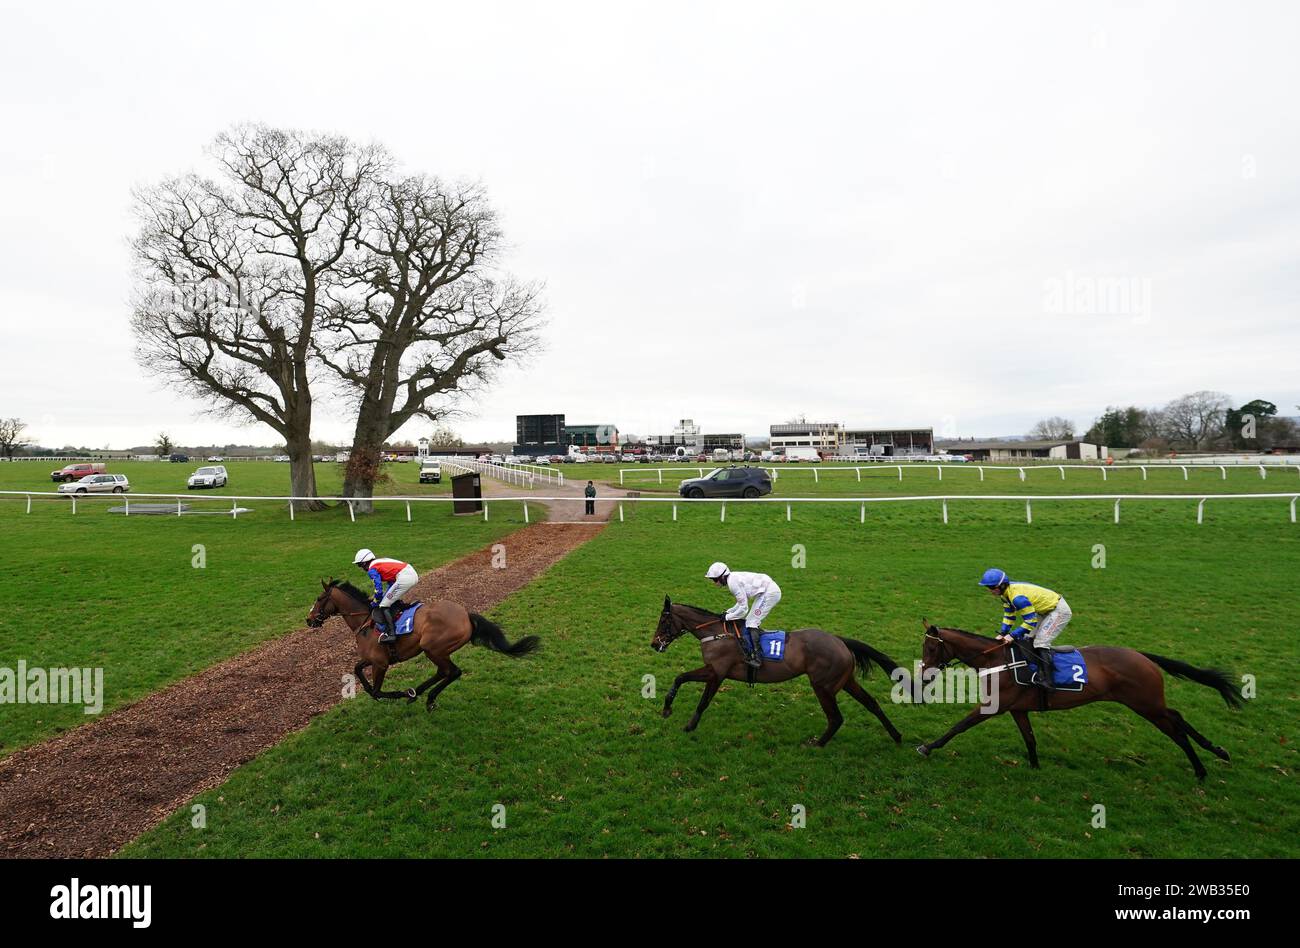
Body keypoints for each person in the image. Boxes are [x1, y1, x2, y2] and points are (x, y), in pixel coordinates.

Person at [977, 568, 1072, 690]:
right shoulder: (1005, 595)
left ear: (1002, 585)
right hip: (1043, 611)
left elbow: (1030, 621)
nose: (990, 591)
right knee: (1027, 639)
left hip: (1058, 611)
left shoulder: (1017, 598)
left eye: (991, 587)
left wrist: (1012, 635)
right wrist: (1003, 632)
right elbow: (1009, 615)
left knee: (1040, 642)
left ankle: (1048, 680)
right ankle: (1033, 670)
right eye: (988, 588)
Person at [705, 562, 781, 668]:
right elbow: (741, 604)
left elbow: (744, 609)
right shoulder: (732, 578)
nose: (715, 583)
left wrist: (727, 617)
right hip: (766, 590)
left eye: (715, 579)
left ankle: (758, 658)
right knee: (750, 620)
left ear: (722, 576)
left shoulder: (733, 584)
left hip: (770, 593)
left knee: (752, 622)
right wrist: (729, 611)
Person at [353, 548, 418, 644]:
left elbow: (378, 590)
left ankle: (392, 634)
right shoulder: (379, 562)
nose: (361, 568)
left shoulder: (372, 570)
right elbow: (391, 582)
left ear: (364, 563)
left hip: (405, 577)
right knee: (386, 599)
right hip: (408, 573)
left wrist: (375, 602)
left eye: (359, 565)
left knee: (384, 605)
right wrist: (384, 596)